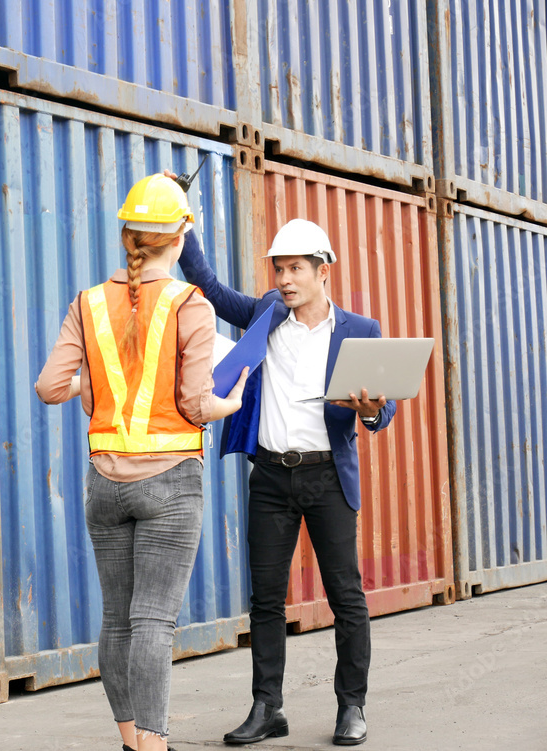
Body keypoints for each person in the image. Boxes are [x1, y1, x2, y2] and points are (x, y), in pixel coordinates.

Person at [35, 174, 248, 751]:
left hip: (104, 483)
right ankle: (154, 745)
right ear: (180, 240)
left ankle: (132, 741)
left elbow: (50, 386)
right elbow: (193, 404)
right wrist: (228, 402)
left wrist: (95, 384)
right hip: (170, 482)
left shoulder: (88, 302)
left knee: (118, 619)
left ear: (127, 237)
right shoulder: (191, 304)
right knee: (153, 620)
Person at [177, 218, 396, 747]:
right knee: (268, 600)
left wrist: (371, 413)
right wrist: (182, 226)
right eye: (279, 268)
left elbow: (383, 411)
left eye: (297, 268)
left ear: (324, 272)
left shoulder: (360, 330)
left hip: (328, 477)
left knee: (346, 596)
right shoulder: (264, 314)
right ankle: (267, 708)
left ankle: (351, 708)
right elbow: (206, 286)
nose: (285, 278)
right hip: (272, 477)